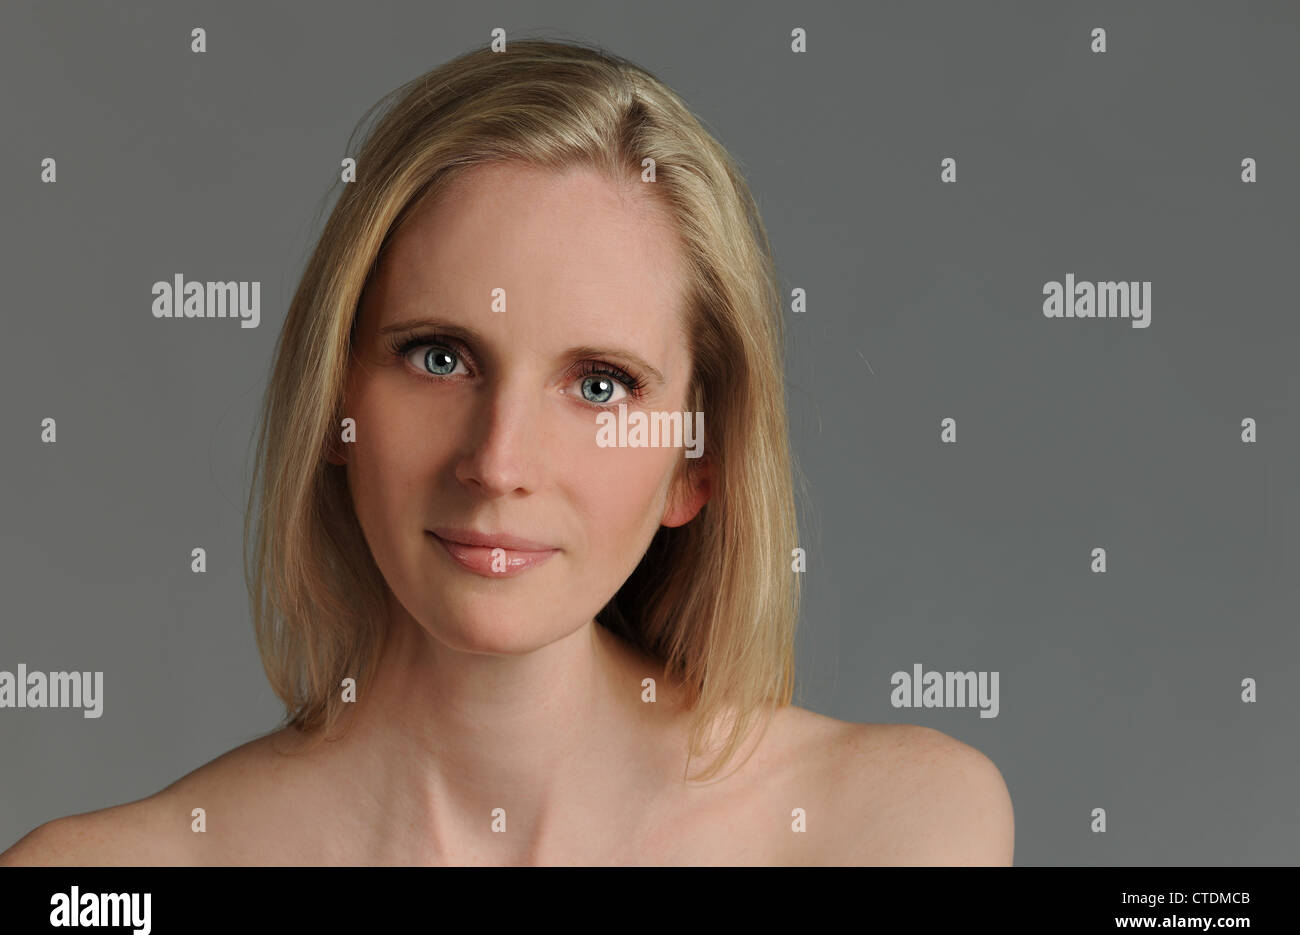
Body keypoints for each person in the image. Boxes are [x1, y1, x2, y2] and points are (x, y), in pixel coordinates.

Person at [1, 38, 1012, 866]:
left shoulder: (891, 827)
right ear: (336, 399)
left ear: (696, 462)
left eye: (600, 384)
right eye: (439, 357)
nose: (497, 461)